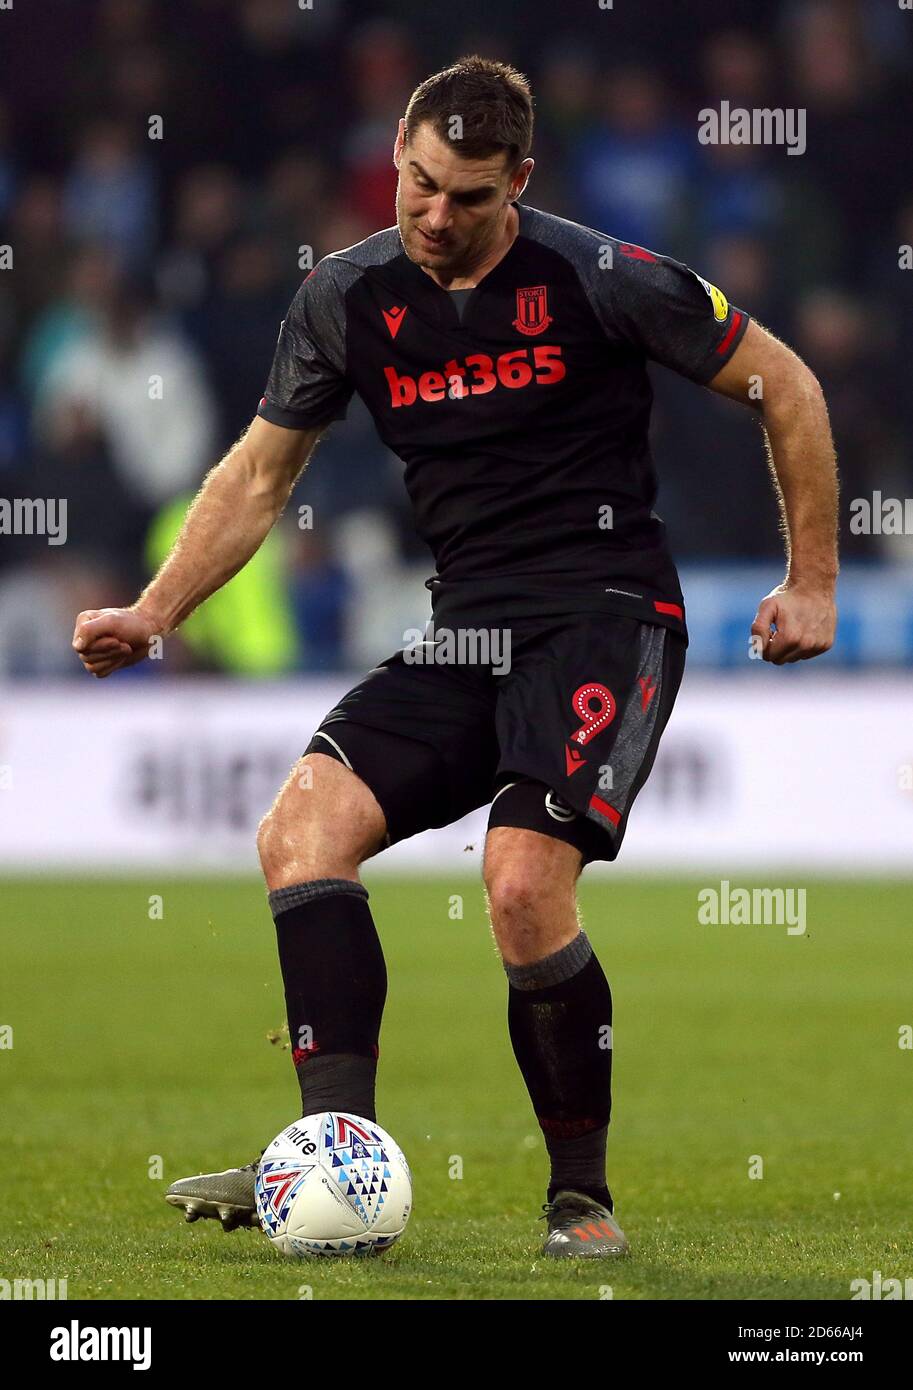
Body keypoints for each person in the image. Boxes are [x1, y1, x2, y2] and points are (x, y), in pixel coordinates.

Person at [72, 56, 838, 1259]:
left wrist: (811, 581)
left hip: (606, 612)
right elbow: (259, 476)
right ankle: (341, 1170)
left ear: (519, 181)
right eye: (417, 184)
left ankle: (578, 1197)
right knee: (298, 834)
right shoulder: (345, 296)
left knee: (524, 887)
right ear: (395, 156)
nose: (433, 214)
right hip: (468, 625)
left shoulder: (600, 277)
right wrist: (155, 609)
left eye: (467, 197)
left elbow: (783, 382)